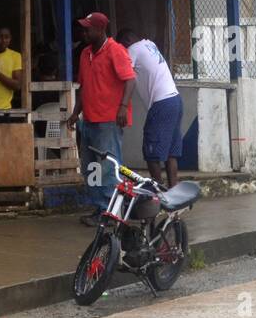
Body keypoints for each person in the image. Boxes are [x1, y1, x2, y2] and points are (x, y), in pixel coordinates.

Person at [65, 12, 135, 226]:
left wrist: (123, 107)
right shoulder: (85, 53)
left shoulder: (115, 50)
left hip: (108, 120)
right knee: (91, 168)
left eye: (88, 29)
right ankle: (100, 207)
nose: (84, 32)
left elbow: (130, 80)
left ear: (100, 30)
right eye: (83, 28)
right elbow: (85, 87)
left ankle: (111, 211)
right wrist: (76, 112)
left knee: (108, 167)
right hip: (89, 119)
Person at [116, 29, 183, 187]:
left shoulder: (133, 50)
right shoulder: (149, 44)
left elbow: (125, 75)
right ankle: (173, 191)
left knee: (151, 150)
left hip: (161, 104)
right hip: (175, 100)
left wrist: (122, 105)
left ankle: (156, 190)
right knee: (170, 153)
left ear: (125, 42)